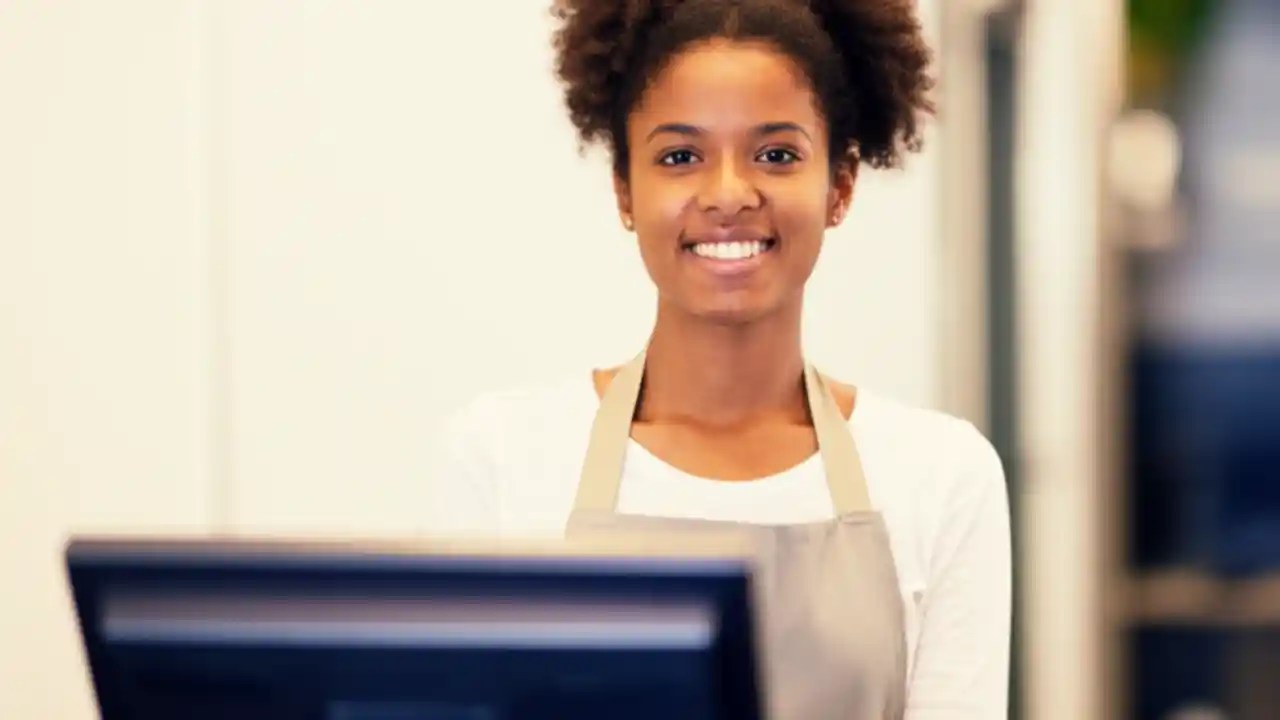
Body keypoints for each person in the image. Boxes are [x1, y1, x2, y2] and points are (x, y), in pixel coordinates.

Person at [425, 0, 1011, 717]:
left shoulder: (942, 474)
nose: (730, 193)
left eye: (776, 154)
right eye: (680, 156)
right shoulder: (502, 454)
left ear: (841, 186)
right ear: (624, 192)